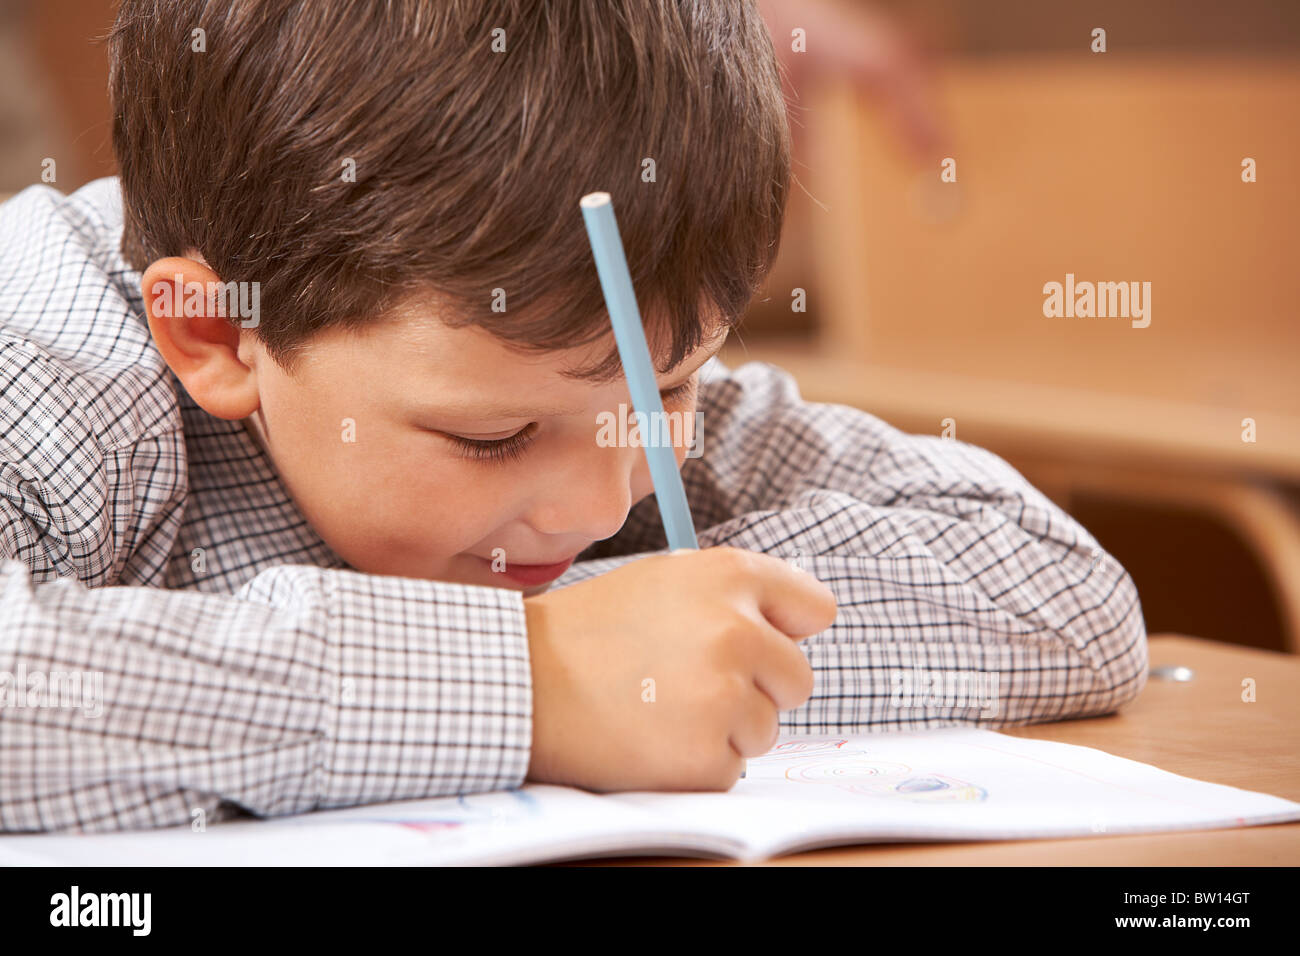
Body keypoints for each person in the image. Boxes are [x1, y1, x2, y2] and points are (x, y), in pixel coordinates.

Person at [0, 0, 1146, 833]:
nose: (602, 505)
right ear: (215, 334)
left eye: (674, 390)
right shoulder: (52, 369)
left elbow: (1061, 590)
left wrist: (651, 653)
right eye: (490, 439)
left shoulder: (582, 371)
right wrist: (539, 683)